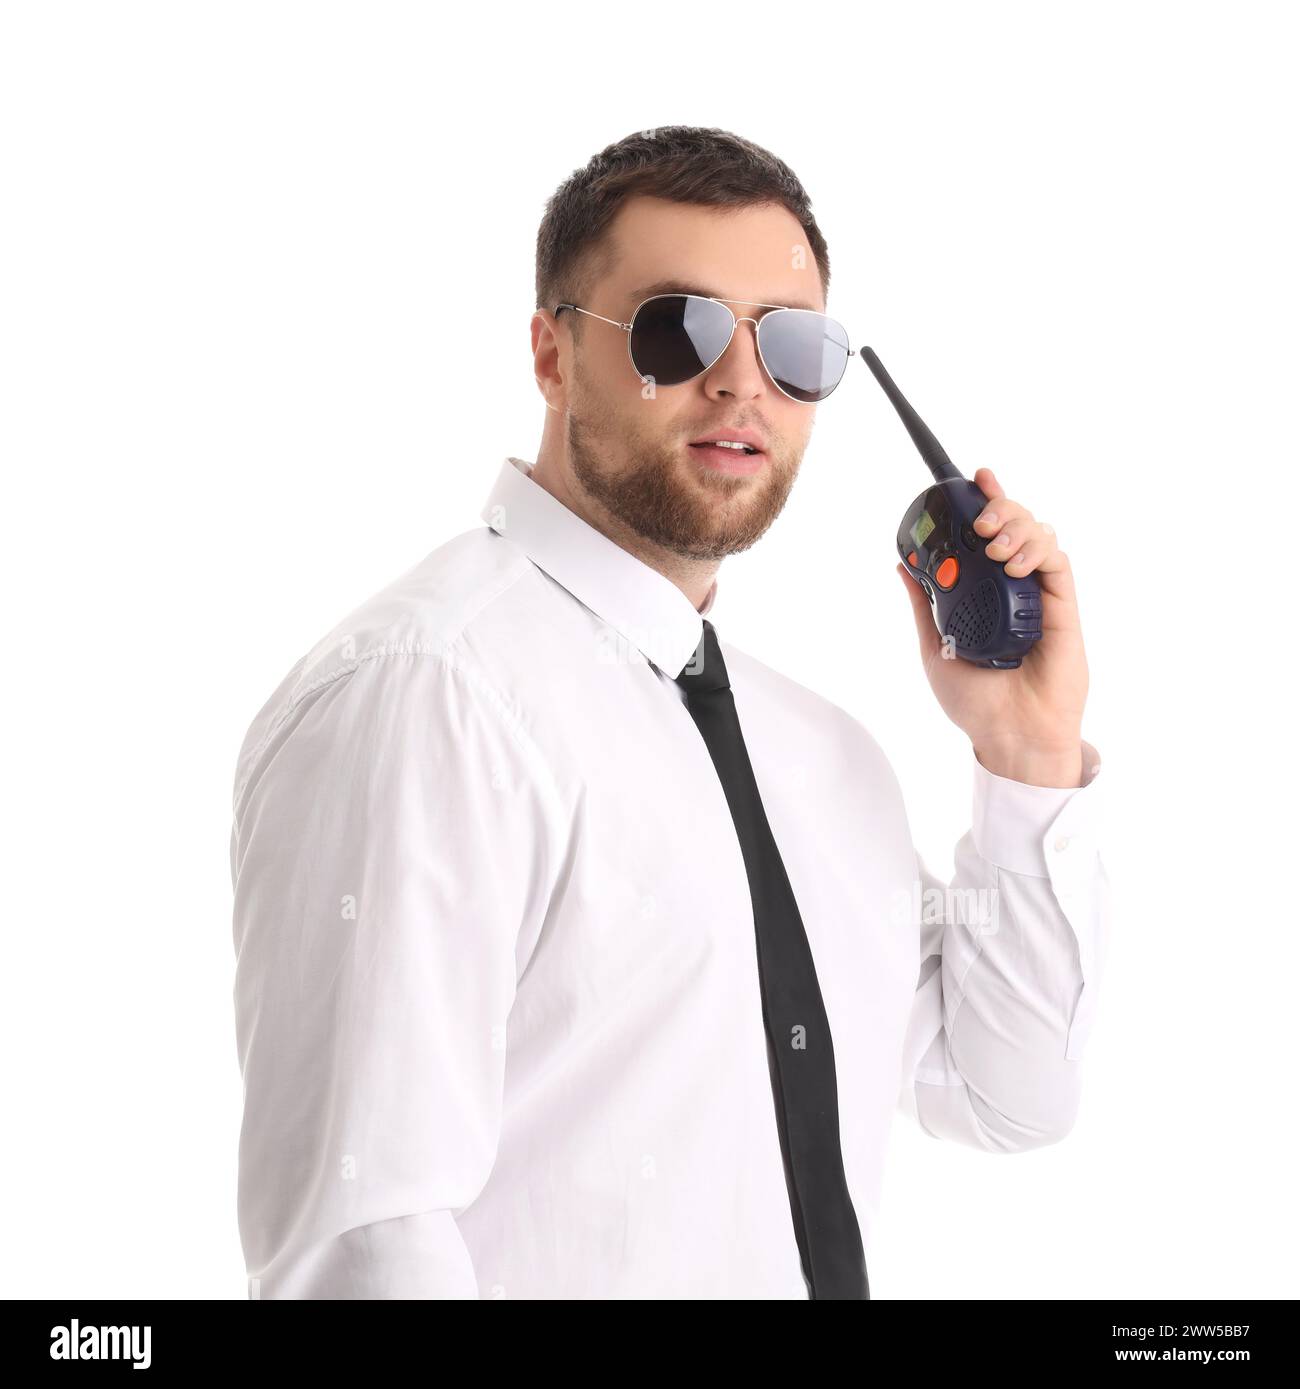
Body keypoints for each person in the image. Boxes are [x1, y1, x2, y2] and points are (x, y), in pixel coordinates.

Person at [229, 125, 1108, 1300]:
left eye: (792, 347)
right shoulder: (428, 693)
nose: (742, 382)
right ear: (550, 355)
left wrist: (1025, 753)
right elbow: (365, 1239)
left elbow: (1007, 1096)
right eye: (675, 328)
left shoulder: (822, 756)